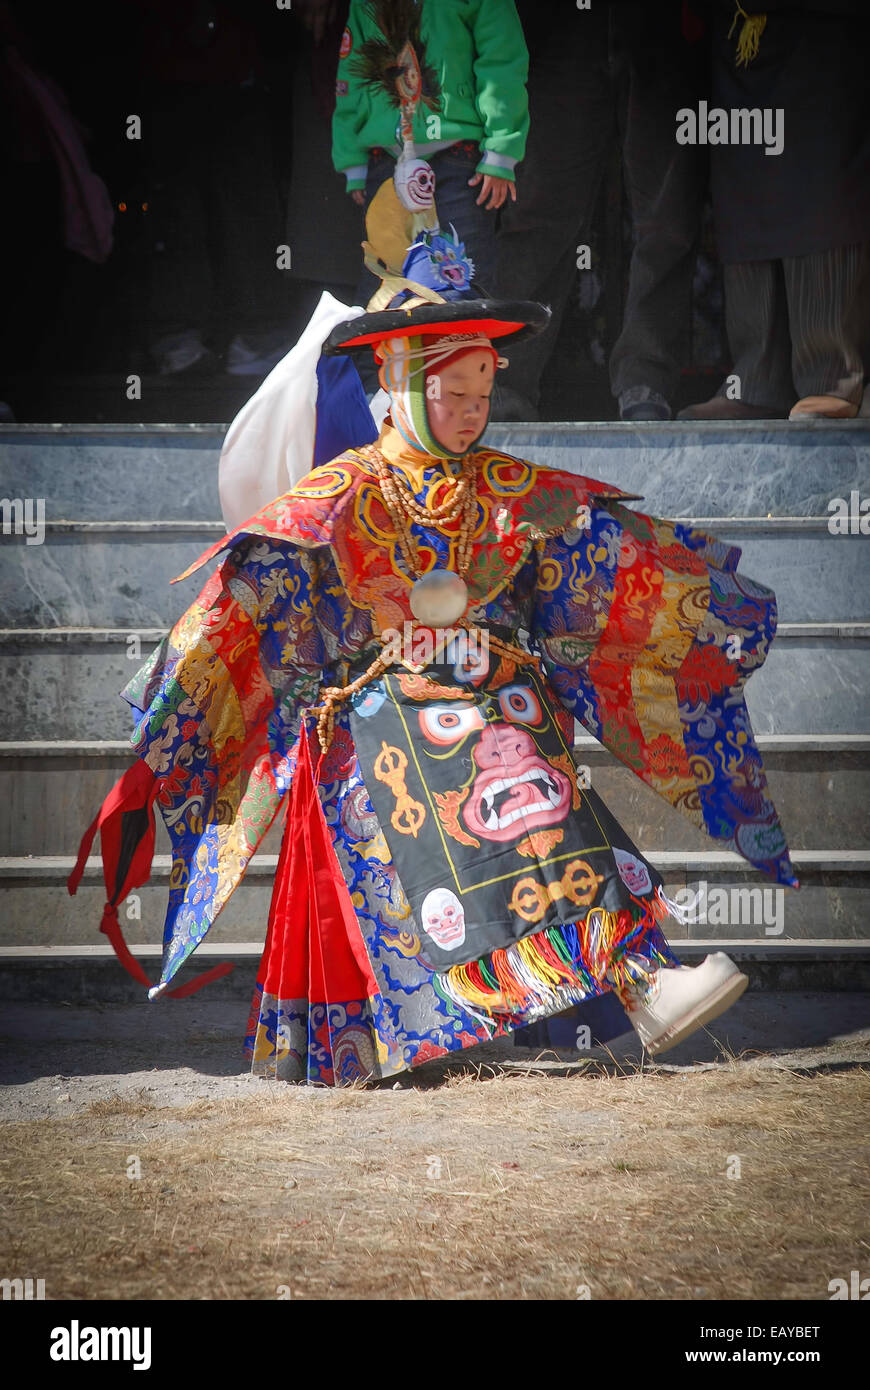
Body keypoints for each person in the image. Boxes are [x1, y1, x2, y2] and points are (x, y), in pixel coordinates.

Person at [69, 218, 798, 1085]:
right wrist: (171, 713)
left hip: (491, 698)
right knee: (484, 758)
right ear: (399, 382)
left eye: (483, 393)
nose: (471, 413)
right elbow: (248, 601)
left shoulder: (503, 486)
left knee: (535, 764)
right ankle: (626, 985)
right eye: (453, 394)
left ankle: (638, 977)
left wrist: (699, 607)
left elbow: (595, 551)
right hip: (375, 716)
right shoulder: (339, 494)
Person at [679, 0, 870, 421]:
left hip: (823, 39)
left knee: (819, 192)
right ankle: (756, 378)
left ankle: (832, 377)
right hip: (742, 36)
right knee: (746, 198)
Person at [333, 0, 529, 313]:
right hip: (386, 160)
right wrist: (353, 158)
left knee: (461, 280)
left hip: (461, 161)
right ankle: (384, 363)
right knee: (384, 285)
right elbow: (351, 76)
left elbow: (502, 61)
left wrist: (501, 148)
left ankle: (460, 358)